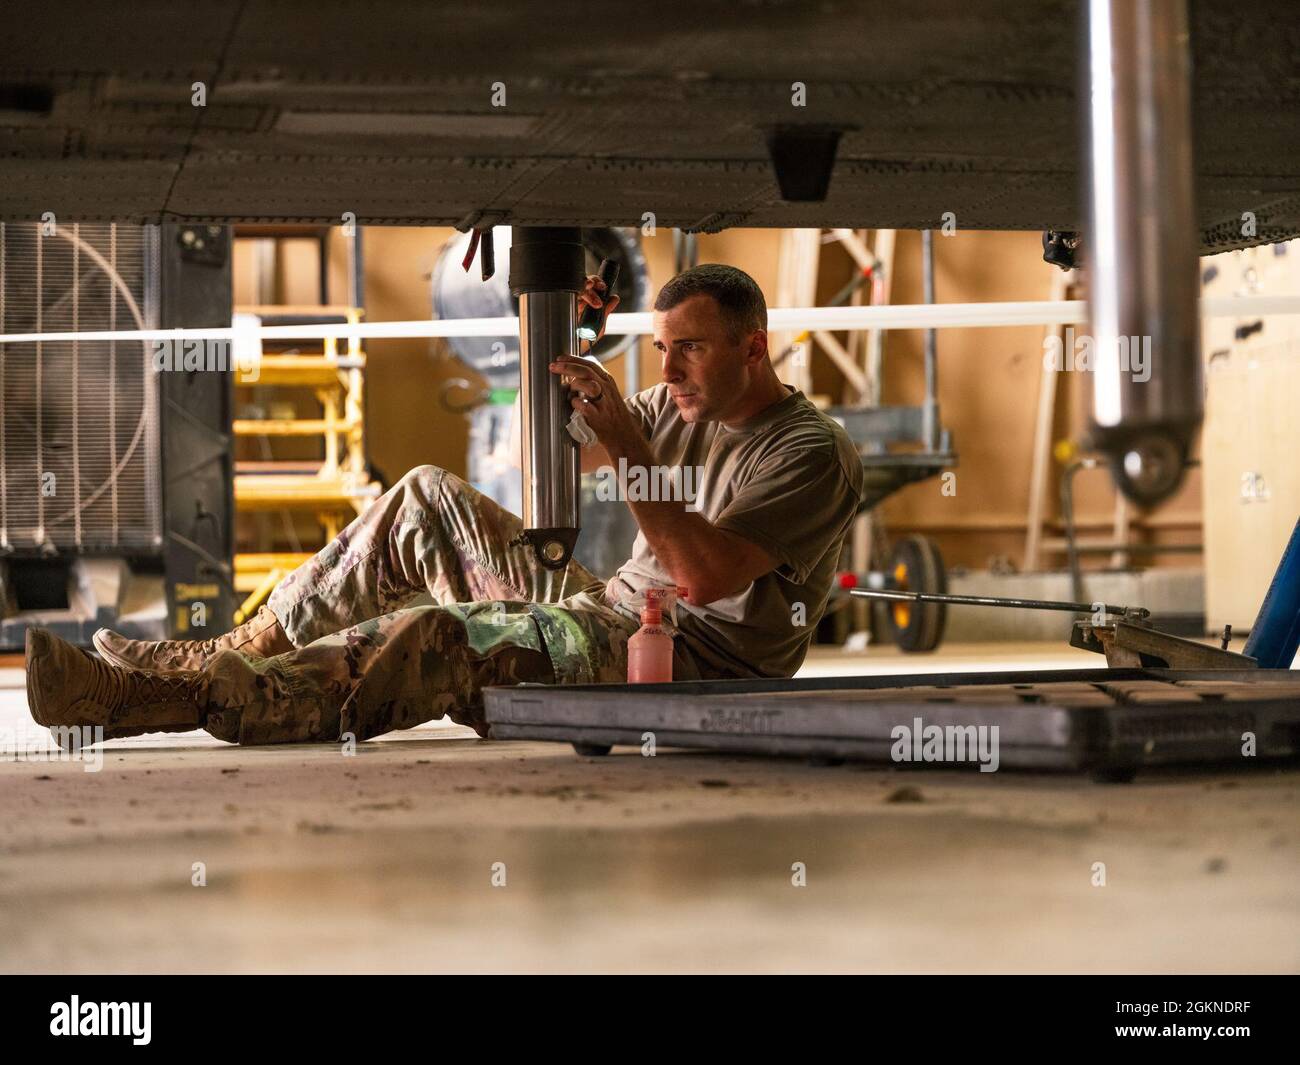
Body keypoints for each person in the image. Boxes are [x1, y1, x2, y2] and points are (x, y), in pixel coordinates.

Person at [26, 263, 864, 747]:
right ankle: (233, 648)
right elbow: (559, 442)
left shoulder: (809, 452)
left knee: (443, 637)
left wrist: (636, 454)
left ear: (753, 348)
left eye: (690, 349)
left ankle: (174, 700)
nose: (669, 369)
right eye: (660, 349)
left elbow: (704, 576)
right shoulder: (675, 408)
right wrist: (567, 341)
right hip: (609, 613)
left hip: (689, 667)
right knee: (425, 494)